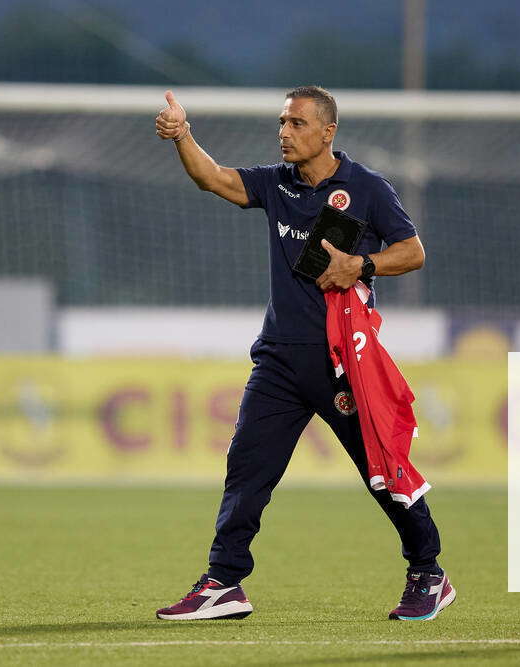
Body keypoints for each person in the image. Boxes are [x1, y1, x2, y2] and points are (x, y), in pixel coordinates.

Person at [152, 85, 454, 621]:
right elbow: (213, 178)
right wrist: (183, 136)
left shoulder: (365, 188)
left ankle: (428, 571)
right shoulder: (277, 183)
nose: (284, 133)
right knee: (247, 468)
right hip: (278, 359)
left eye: (296, 123)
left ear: (328, 131)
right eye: (282, 122)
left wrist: (361, 266)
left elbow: (413, 252)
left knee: (381, 470)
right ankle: (224, 582)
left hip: (339, 361)